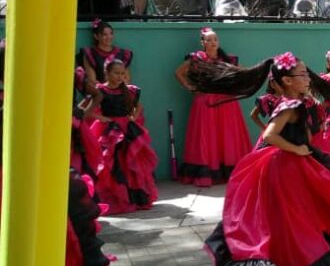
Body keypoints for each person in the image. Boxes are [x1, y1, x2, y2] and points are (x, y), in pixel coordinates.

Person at [192, 52, 330, 266]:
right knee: (293, 225)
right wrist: (296, 150)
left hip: (292, 169)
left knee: (297, 222)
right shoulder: (290, 106)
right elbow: (270, 135)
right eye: (301, 75)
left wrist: (306, 151)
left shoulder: (297, 102)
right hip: (284, 171)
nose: (307, 78)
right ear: (287, 81)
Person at [174, 28, 253, 186]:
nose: (212, 42)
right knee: (206, 134)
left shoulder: (227, 59)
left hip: (226, 101)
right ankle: (207, 171)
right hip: (205, 100)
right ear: (202, 42)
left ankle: (227, 171)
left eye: (215, 39)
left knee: (227, 135)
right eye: (209, 40)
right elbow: (179, 73)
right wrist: (190, 87)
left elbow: (242, 72)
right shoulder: (197, 59)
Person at [82, 59, 159, 214]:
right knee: (111, 162)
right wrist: (101, 118)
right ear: (107, 73)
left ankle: (134, 197)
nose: (119, 76)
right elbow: (85, 109)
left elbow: (139, 106)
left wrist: (133, 117)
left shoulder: (130, 90)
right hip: (110, 131)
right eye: (116, 73)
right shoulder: (100, 90)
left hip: (127, 129)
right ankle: (114, 197)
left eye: (122, 73)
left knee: (130, 162)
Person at [81, 19, 134, 90]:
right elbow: (92, 81)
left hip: (120, 92)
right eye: (104, 34)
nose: (109, 37)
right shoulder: (90, 54)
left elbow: (127, 79)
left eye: (111, 33)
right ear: (96, 36)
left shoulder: (123, 54)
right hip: (100, 92)